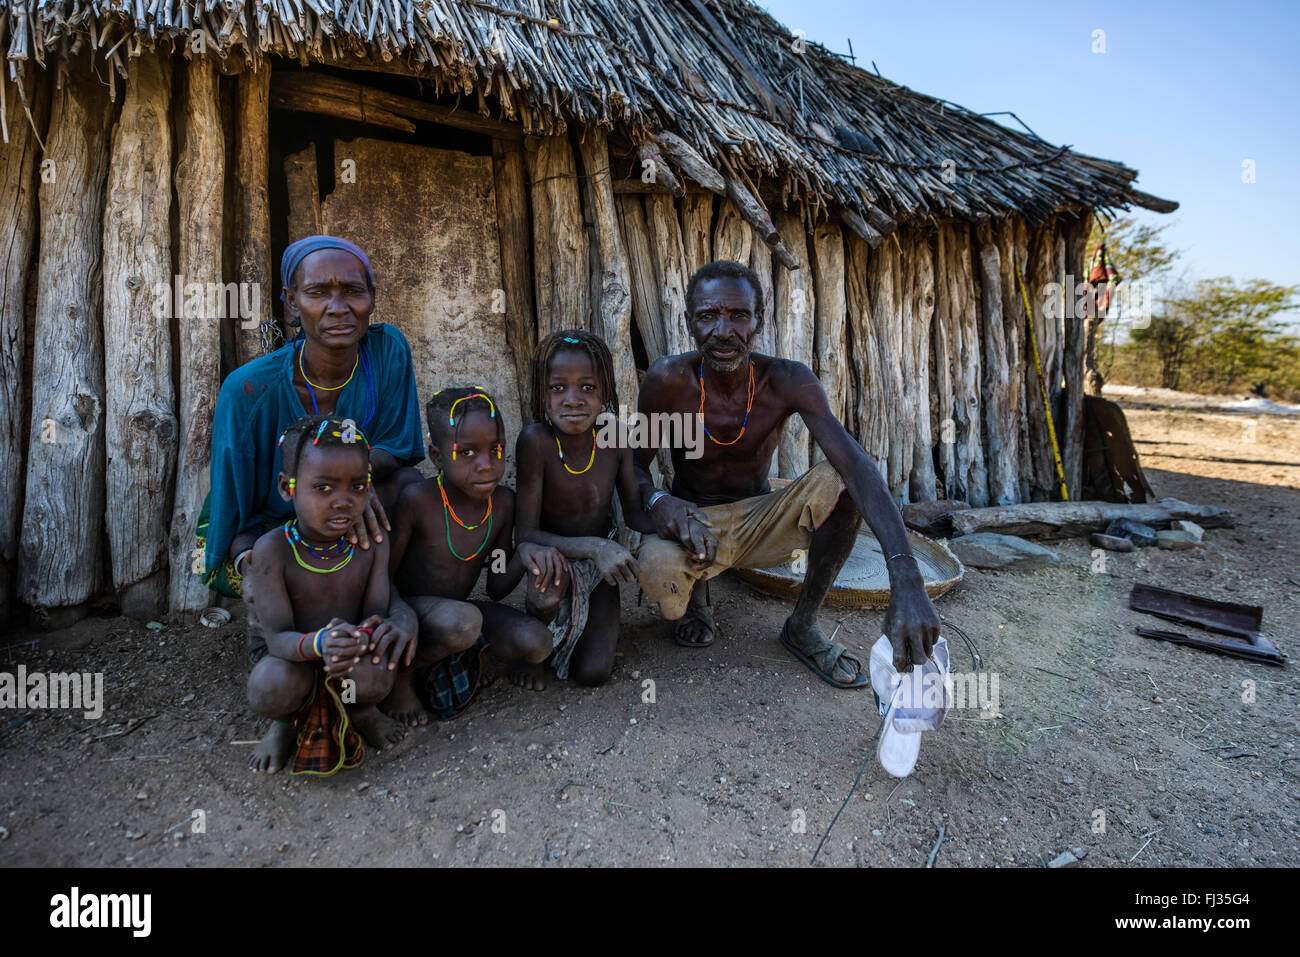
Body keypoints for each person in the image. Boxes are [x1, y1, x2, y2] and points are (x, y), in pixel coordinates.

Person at [635, 260, 941, 687]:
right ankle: (696, 599)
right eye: (708, 316)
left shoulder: (787, 381)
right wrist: (659, 502)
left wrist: (907, 577)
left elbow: (856, 466)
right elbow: (633, 469)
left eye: (739, 315)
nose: (723, 331)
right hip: (691, 524)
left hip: (765, 522)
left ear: (759, 319)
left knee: (842, 480)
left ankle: (802, 625)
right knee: (655, 570)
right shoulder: (668, 379)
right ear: (689, 322)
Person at [199, 235, 424, 662]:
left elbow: (399, 446)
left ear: (372, 297)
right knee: (261, 554)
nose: (338, 308)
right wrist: (253, 564)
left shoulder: (388, 350)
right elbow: (237, 509)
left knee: (411, 487)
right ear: (290, 300)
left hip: (345, 511)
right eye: (318, 292)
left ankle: (385, 614)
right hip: (273, 529)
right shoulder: (248, 390)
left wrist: (352, 483)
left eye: (354, 291)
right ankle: (278, 635)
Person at [244, 417, 415, 775]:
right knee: (268, 686)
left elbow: (375, 613)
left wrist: (363, 637)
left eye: (357, 486)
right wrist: (320, 643)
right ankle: (284, 725)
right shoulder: (271, 551)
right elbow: (275, 638)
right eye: (323, 488)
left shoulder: (370, 545)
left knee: (378, 669)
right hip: (294, 658)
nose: (343, 502)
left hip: (348, 656)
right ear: (287, 488)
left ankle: (360, 711)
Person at [386, 388, 565, 724]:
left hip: (462, 615)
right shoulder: (417, 501)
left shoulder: (502, 504)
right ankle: (403, 679)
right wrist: (399, 616)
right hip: (411, 611)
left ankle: (475, 657)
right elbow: (384, 577)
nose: (486, 465)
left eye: (495, 450)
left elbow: (497, 584)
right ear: (436, 456)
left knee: (538, 642)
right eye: (466, 452)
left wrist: (523, 552)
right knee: (464, 623)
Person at [513, 331, 655, 689]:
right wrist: (597, 547)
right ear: (542, 394)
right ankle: (536, 646)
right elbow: (526, 534)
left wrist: (671, 512)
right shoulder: (535, 442)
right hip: (554, 558)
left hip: (598, 568)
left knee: (593, 673)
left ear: (605, 392)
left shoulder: (615, 437)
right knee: (546, 591)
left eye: (587, 388)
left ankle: (569, 634)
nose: (573, 400)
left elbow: (635, 512)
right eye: (558, 388)